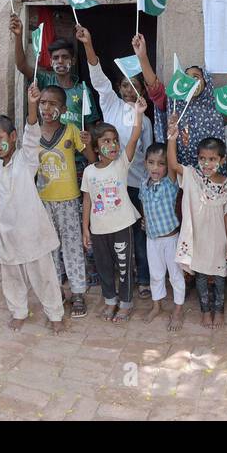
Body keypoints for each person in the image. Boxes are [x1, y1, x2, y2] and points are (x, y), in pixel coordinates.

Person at [77, 23, 154, 297]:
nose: (129, 90)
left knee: (139, 233)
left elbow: (146, 152)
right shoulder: (110, 104)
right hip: (109, 185)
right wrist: (88, 44)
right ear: (119, 87)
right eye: (125, 85)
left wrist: (148, 185)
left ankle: (142, 279)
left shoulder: (144, 119)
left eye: (135, 86)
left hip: (135, 184)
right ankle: (115, 281)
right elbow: (98, 79)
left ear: (142, 90)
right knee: (112, 234)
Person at [0, 83, 70, 333]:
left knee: (44, 274)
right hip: (8, 232)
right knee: (11, 275)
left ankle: (55, 314)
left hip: (32, 230)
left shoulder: (26, 159)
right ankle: (19, 311)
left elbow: (32, 134)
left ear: (12, 137)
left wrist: (33, 105)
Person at [81, 96, 147, 323]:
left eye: (115, 141)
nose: (113, 145)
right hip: (99, 229)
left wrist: (138, 114)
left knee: (124, 266)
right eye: (106, 141)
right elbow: (87, 200)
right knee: (104, 267)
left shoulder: (121, 163)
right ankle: (110, 300)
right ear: (96, 147)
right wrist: (85, 228)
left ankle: (126, 303)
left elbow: (134, 137)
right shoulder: (89, 172)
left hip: (122, 225)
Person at [168, 121, 227, 329]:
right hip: (198, 237)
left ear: (222, 160)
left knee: (220, 276)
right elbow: (173, 164)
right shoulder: (192, 176)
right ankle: (205, 311)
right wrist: (172, 138)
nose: (206, 163)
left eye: (212, 159)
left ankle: (219, 310)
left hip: (219, 238)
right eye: (202, 158)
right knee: (202, 276)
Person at [33, 84, 91, 319]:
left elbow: (91, 158)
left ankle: (78, 292)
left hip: (68, 200)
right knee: (50, 249)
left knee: (72, 246)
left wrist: (88, 142)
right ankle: (55, 290)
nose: (47, 108)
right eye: (43, 102)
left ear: (64, 109)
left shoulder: (71, 131)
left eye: (53, 103)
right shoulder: (33, 134)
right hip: (43, 202)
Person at [11, 14, 97, 133]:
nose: (60, 61)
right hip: (48, 143)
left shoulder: (83, 90)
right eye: (56, 58)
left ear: (73, 61)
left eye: (65, 57)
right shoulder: (44, 80)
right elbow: (21, 66)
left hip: (76, 145)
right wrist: (18, 36)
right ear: (51, 62)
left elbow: (90, 126)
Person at [139, 142, 185, 331]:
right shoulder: (143, 184)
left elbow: (174, 163)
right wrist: (145, 219)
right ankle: (157, 306)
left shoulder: (170, 183)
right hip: (152, 239)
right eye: (151, 162)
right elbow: (143, 204)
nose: (155, 167)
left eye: (161, 163)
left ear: (167, 166)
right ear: (145, 163)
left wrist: (172, 138)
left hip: (170, 239)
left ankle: (178, 310)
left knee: (175, 276)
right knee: (156, 275)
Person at [169, 65, 227, 168]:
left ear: (206, 82)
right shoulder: (175, 108)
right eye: (186, 77)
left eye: (195, 77)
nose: (191, 81)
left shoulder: (214, 113)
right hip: (181, 169)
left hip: (208, 169)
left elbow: (218, 148)